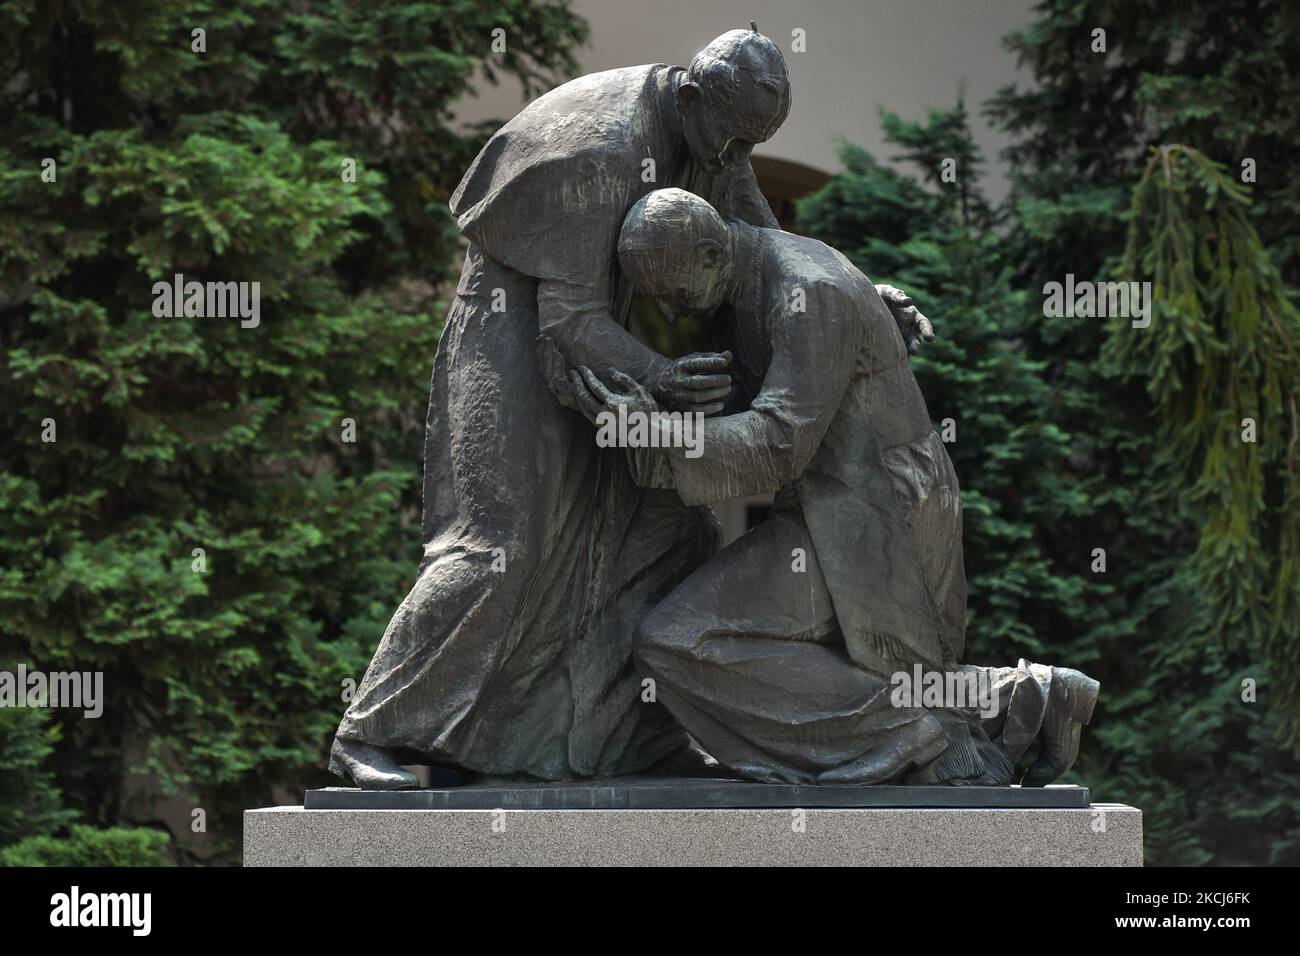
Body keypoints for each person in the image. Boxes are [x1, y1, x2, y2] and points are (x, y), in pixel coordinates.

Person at [329, 29, 796, 787]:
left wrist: (858, 298)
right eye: (728, 141)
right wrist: (663, 375)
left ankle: (632, 736)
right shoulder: (599, 145)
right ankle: (370, 730)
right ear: (690, 96)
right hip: (512, 334)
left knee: (668, 528)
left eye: (748, 146)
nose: (727, 163)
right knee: (495, 546)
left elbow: (769, 247)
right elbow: (568, 324)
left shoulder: (717, 133)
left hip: (595, 343)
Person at [568, 188, 1098, 786]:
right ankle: (1025, 697)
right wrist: (675, 403)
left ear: (714, 252)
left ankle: (926, 735)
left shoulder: (805, 292)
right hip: (833, 500)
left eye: (675, 292)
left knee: (680, 640)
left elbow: (778, 442)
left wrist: (661, 436)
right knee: (740, 647)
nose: (671, 314)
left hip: (876, 505)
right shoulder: (747, 276)